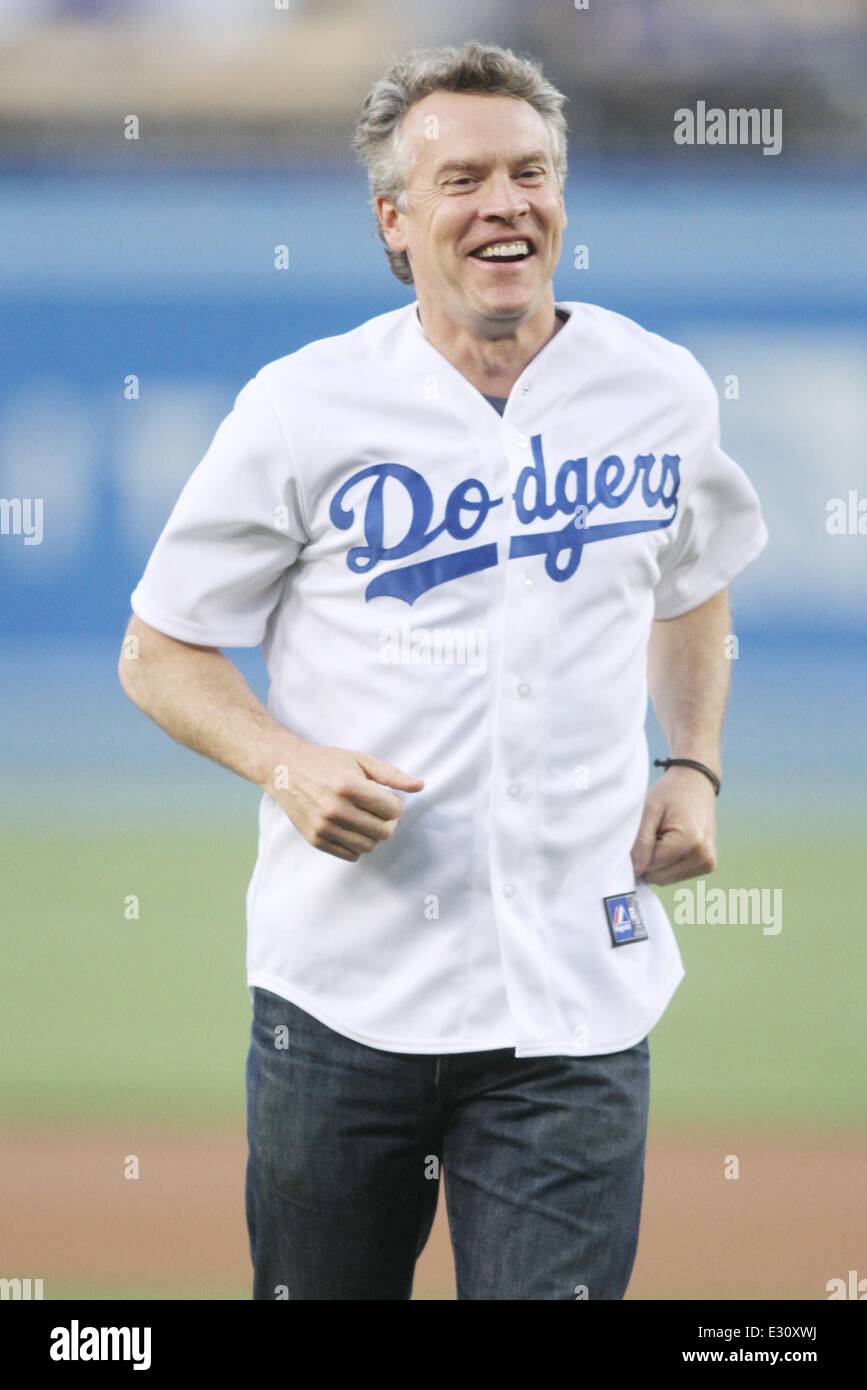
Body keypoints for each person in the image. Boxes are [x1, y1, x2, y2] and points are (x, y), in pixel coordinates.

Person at [118, 40, 768, 1300]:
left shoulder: (658, 390)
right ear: (396, 221)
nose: (505, 203)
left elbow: (695, 578)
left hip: (577, 997)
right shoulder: (305, 407)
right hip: (341, 999)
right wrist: (285, 759)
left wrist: (692, 761)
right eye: (462, 178)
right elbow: (159, 648)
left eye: (532, 172)